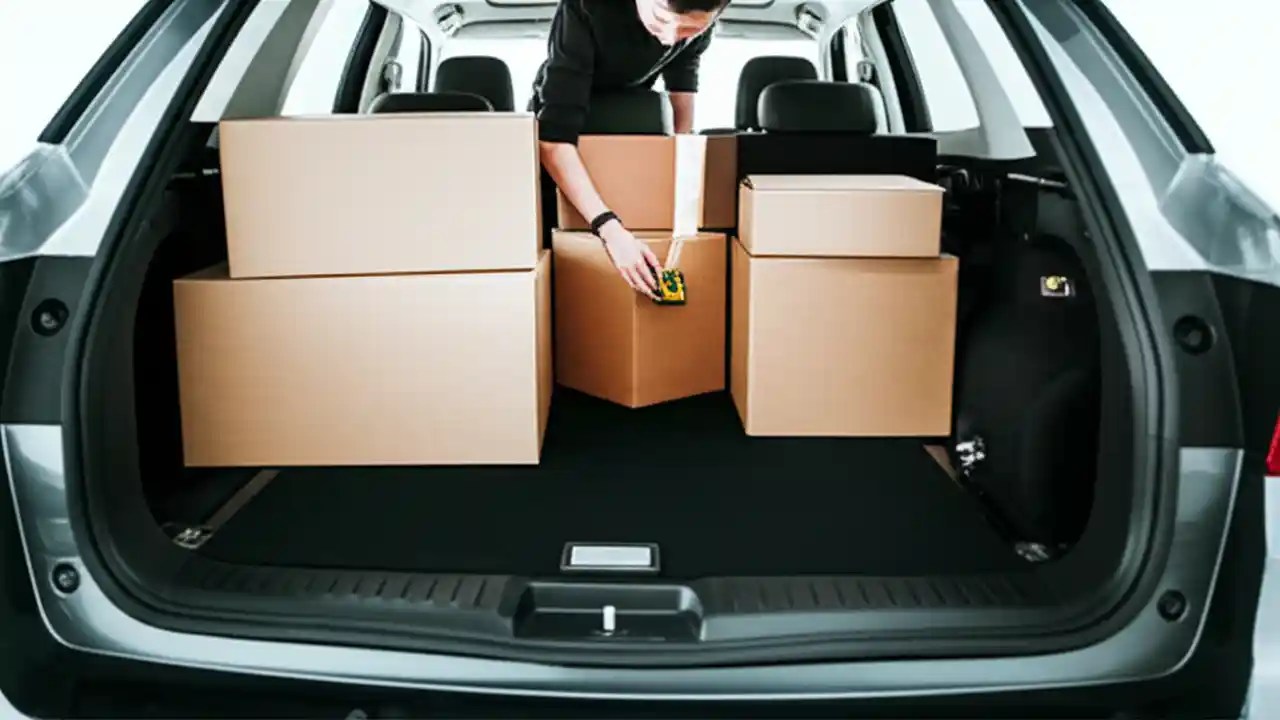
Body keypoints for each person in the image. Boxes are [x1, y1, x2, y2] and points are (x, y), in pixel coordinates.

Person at [530, 0, 727, 297]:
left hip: (634, 125)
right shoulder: (586, 7)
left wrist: (682, 185)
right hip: (563, 124)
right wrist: (610, 231)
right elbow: (553, 139)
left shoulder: (699, 27)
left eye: (689, 30)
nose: (669, 38)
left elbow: (682, 89)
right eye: (661, 19)